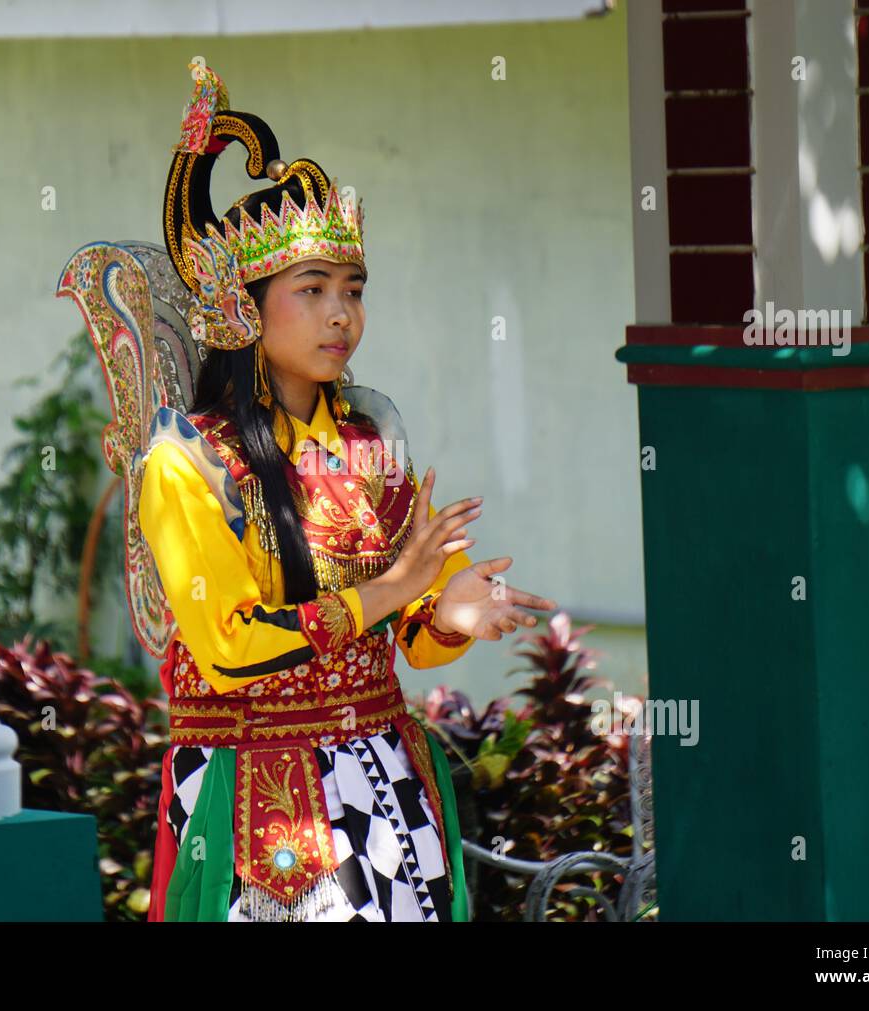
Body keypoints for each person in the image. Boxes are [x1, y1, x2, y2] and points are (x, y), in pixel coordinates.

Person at [89, 62, 555, 922]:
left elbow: (412, 623)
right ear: (241, 309)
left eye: (354, 291)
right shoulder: (187, 461)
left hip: (386, 784)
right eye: (312, 290)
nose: (342, 314)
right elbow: (230, 646)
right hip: (262, 801)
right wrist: (394, 588)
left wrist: (450, 612)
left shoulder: (371, 445)